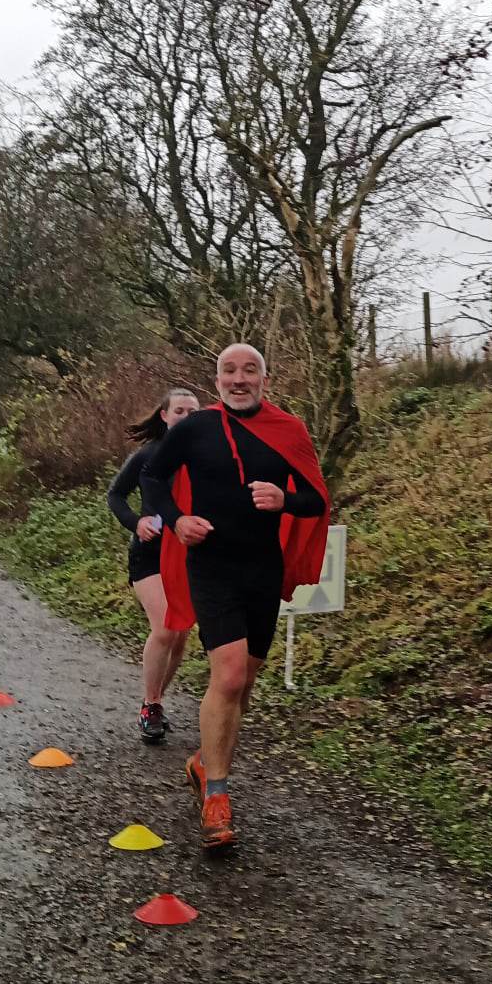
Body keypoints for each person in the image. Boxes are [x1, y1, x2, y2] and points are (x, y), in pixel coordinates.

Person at [144, 343, 329, 849]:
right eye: (229, 371)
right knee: (226, 673)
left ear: (265, 379)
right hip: (210, 567)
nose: (239, 379)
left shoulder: (288, 431)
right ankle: (218, 798)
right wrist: (177, 520)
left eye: (250, 370)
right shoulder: (193, 428)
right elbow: (152, 475)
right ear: (218, 379)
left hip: (262, 570)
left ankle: (205, 762)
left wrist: (284, 499)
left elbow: (316, 497)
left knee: (243, 684)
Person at [106, 385, 201, 743]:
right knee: (165, 628)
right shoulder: (150, 454)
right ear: (164, 415)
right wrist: (137, 522)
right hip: (150, 553)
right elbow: (115, 495)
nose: (186, 418)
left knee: (180, 637)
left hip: (190, 554)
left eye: (194, 412)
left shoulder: (206, 457)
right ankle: (151, 705)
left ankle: (156, 702)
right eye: (180, 411)